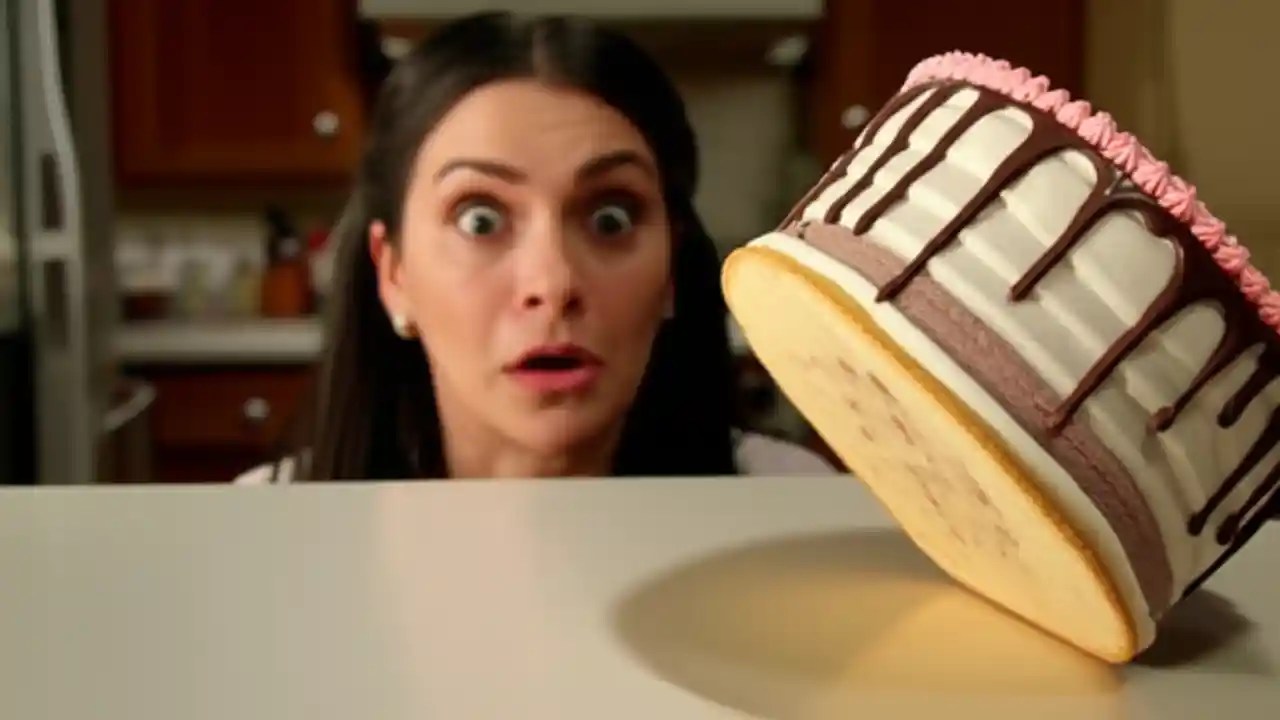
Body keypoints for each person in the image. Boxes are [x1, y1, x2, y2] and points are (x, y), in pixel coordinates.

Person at [236, 11, 833, 483]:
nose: (553, 284)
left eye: (610, 218)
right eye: (479, 220)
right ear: (393, 274)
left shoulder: (789, 502)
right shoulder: (263, 530)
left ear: (671, 270)